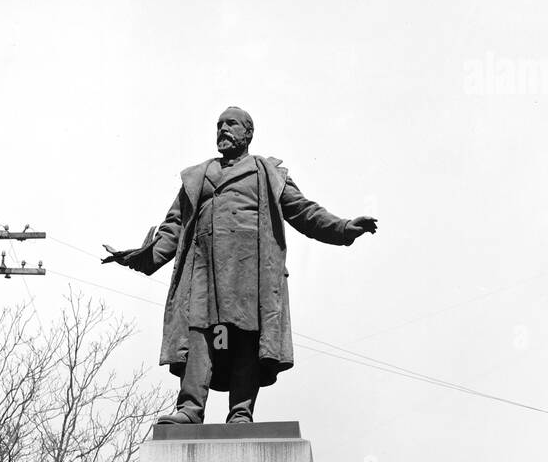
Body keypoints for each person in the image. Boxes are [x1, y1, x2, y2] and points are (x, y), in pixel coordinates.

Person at [103, 107, 377, 424]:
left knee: (246, 337)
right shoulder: (197, 177)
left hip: (249, 269)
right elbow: (173, 228)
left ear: (248, 132)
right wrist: (136, 256)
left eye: (231, 124)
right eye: (219, 125)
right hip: (202, 268)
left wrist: (343, 229)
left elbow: (304, 212)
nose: (223, 129)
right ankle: (190, 409)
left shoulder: (267, 174)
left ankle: (241, 412)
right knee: (199, 335)